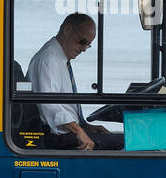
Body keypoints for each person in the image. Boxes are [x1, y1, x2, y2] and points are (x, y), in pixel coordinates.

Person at [27, 12, 123, 150]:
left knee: (117, 138)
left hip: (65, 133)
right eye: (82, 42)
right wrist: (78, 131)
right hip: (56, 137)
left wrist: (85, 127)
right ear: (67, 30)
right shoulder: (49, 60)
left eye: (88, 45)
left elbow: (62, 106)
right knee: (127, 143)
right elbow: (49, 104)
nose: (84, 49)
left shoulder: (59, 58)